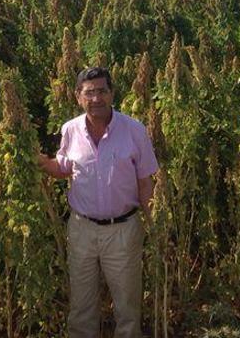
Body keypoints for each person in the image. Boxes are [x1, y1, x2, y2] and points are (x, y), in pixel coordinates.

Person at [39, 66, 158, 338]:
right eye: (89, 93)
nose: (96, 99)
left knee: (127, 309)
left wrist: (155, 226)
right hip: (82, 230)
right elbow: (65, 168)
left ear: (112, 93)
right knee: (81, 308)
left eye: (102, 91)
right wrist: (41, 163)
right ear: (78, 97)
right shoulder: (70, 130)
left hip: (123, 231)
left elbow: (145, 183)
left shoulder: (134, 130)